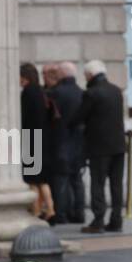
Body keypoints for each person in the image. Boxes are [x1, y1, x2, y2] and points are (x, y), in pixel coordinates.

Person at [79, 60, 126, 233]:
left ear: (90, 75)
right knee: (116, 184)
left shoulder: (91, 93)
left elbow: (80, 116)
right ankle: (116, 220)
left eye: (85, 76)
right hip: (119, 145)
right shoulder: (116, 91)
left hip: (99, 147)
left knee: (98, 183)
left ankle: (98, 220)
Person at [45, 61, 87, 226]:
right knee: (77, 180)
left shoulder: (55, 94)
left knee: (60, 181)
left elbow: (49, 121)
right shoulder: (82, 93)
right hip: (78, 144)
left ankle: (61, 214)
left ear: (61, 74)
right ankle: (79, 213)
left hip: (60, 144)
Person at [19, 63, 55, 221]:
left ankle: (36, 210)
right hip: (43, 139)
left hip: (30, 138)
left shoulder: (28, 92)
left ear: (24, 77)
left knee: (32, 180)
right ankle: (51, 209)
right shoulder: (41, 91)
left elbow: (24, 118)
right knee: (43, 180)